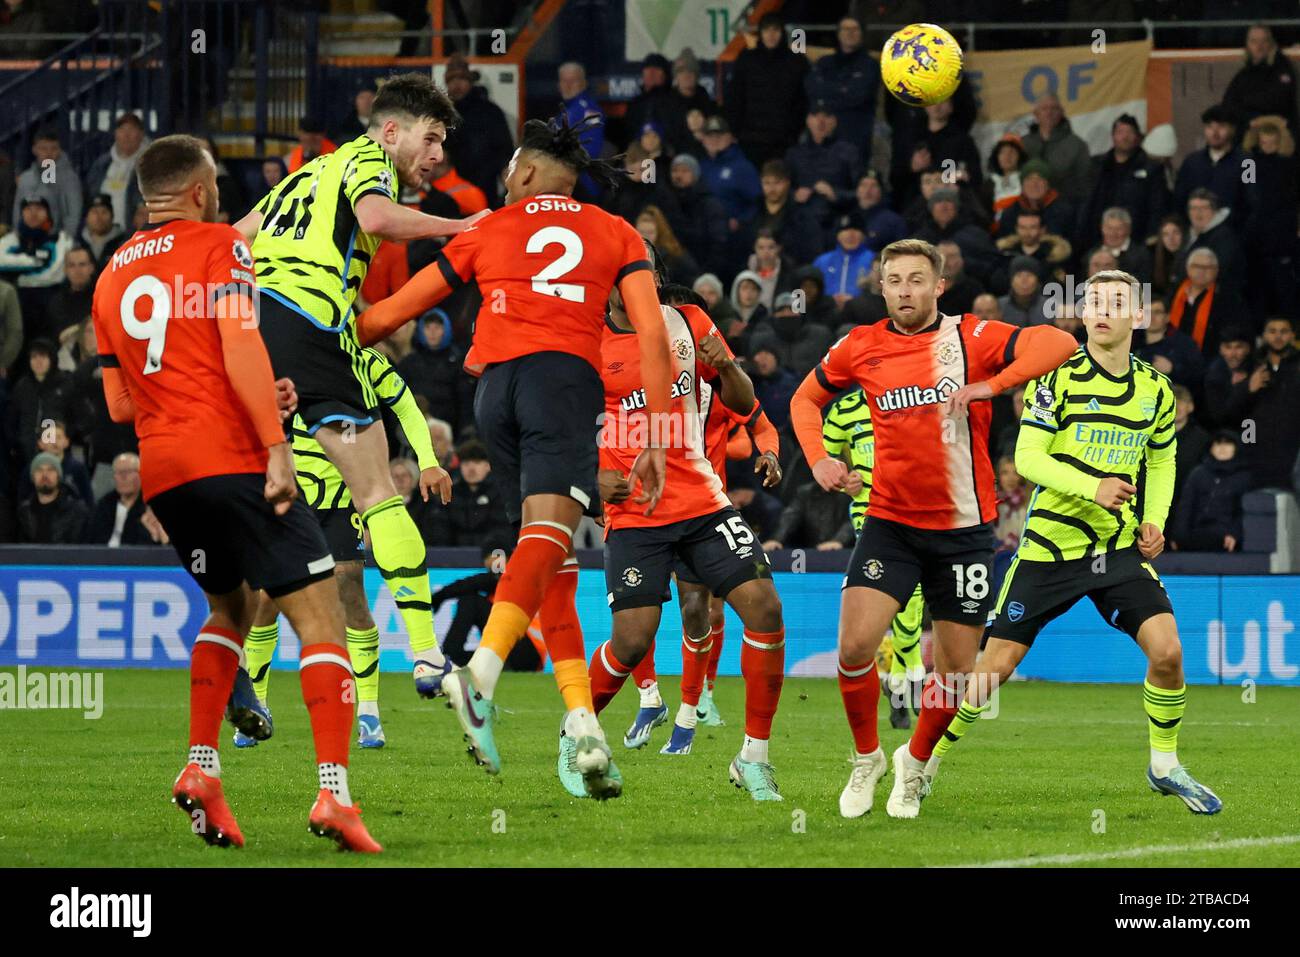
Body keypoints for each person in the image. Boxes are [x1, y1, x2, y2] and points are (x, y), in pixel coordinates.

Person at [353, 115, 673, 797]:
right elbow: (652, 333)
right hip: (562, 381)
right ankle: (481, 675)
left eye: (508, 169)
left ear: (526, 172)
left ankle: (584, 727)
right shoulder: (617, 232)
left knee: (548, 559)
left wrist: (320, 325)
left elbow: (389, 315)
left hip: (492, 393)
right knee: (550, 539)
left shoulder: (489, 227)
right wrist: (656, 435)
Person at [92, 134, 382, 851]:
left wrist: (225, 392)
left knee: (231, 607)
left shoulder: (109, 277)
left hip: (165, 474)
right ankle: (335, 795)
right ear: (199, 191)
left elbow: (121, 405)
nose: (220, 192)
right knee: (321, 619)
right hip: (232, 457)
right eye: (216, 182)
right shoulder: (222, 244)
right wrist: (277, 445)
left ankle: (202, 769)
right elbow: (240, 342)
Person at [788, 237, 1078, 820]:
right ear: (881, 287)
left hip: (964, 533)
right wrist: (819, 459)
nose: (905, 291)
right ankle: (866, 757)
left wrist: (992, 384)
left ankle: (914, 763)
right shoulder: (861, 344)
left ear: (939, 286)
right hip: (889, 523)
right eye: (895, 280)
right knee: (855, 647)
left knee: (955, 671)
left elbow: (1061, 342)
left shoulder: (972, 337)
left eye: (917, 279)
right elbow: (804, 400)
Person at [926, 269, 1223, 817]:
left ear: (1139, 316)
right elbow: (1028, 459)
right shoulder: (1055, 380)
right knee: (992, 672)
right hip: (1049, 548)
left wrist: (1154, 519)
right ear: (1082, 315)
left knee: (1168, 653)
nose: (1102, 310)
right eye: (1093, 302)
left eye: (1116, 302)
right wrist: (1094, 486)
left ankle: (1164, 764)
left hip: (1116, 548)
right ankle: (925, 763)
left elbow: (1162, 460)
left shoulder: (1156, 390)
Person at [234, 73, 477, 702]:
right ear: (391, 131)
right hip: (310, 326)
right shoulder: (370, 161)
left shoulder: (302, 176)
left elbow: (234, 239)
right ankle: (426, 655)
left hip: (251, 332)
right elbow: (376, 217)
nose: (437, 155)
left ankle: (236, 670)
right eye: (431, 139)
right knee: (378, 495)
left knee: (260, 502)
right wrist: (462, 227)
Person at [588, 251, 785, 800]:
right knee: (632, 640)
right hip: (636, 510)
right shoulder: (587, 342)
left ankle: (753, 757)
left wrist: (728, 366)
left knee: (765, 609)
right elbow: (561, 426)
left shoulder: (689, 321)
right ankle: (576, 729)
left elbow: (744, 403)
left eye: (646, 271)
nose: (637, 281)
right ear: (608, 283)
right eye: (625, 273)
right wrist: (590, 480)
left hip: (702, 501)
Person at [237, 346, 452, 750]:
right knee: (266, 598)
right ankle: (258, 704)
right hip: (290, 493)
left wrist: (427, 460)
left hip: (340, 498)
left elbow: (406, 405)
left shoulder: (365, 360)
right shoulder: (281, 357)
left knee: (349, 589)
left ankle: (368, 711)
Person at [822, 386, 927, 736]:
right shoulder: (843, 411)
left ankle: (899, 682)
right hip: (870, 512)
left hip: (916, 506)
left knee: (913, 593)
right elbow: (823, 461)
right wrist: (843, 481)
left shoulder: (912, 397)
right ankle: (912, 675)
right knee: (901, 592)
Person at [725, 11, 809, 166]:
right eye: (766, 30)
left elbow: (803, 100)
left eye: (775, 30)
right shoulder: (746, 59)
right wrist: (736, 130)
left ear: (782, 32)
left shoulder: (797, 62)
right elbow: (735, 97)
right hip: (750, 140)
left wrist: (794, 131)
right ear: (760, 33)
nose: (771, 35)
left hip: (783, 141)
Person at [1079, 114, 1169, 251]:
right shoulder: (1097, 165)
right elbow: (1086, 201)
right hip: (1098, 240)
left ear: (1137, 137)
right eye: (1120, 132)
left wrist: (1150, 239)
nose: (1125, 137)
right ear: (1113, 136)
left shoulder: (1152, 168)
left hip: (1136, 241)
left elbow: (1157, 206)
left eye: (1129, 132)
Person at [441, 56, 515, 205]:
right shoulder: (442, 114)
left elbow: (504, 151)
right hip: (449, 194)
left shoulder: (490, 112)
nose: (457, 84)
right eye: (452, 80)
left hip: (485, 191)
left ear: (470, 81)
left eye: (462, 78)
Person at [1238, 316, 1300, 490]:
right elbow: (1232, 411)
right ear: (1264, 336)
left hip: (1292, 447)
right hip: (1255, 447)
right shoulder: (1249, 365)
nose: (1278, 336)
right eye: (1272, 331)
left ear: (1293, 336)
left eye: (1284, 331)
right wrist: (1248, 388)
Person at [803, 16, 879, 155]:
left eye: (855, 29)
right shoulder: (824, 62)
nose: (850, 33)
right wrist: (842, 89)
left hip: (855, 137)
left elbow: (858, 96)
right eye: (845, 29)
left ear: (862, 33)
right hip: (822, 137)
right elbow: (812, 89)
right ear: (838, 34)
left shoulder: (870, 65)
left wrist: (827, 92)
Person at [1170, 431, 1252, 554]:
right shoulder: (1198, 474)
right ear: (1211, 448)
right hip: (1195, 534)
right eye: (1218, 443)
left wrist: (1234, 534)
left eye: (1228, 444)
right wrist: (1178, 535)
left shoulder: (1244, 478)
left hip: (1225, 537)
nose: (1222, 448)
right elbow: (1185, 507)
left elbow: (1244, 511)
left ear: (1236, 448)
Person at [784, 101, 861, 231]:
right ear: (808, 120)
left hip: (836, 219)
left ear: (834, 121)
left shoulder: (849, 152)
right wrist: (794, 194)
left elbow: (861, 192)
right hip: (799, 219)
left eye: (826, 116)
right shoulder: (794, 154)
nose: (821, 122)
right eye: (816, 116)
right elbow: (780, 188)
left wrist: (835, 194)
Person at [1173, 105, 1248, 229]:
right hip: (1195, 232)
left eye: (1221, 127)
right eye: (1209, 127)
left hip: (1232, 232)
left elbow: (1252, 202)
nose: (1214, 133)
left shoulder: (1247, 163)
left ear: (1232, 129)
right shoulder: (1191, 162)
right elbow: (1179, 200)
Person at [1167, 247, 1247, 360]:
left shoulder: (1227, 298)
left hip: (1208, 358)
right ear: (1187, 268)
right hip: (1170, 354)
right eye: (1196, 266)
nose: (1201, 271)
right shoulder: (1175, 291)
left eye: (1207, 267)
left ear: (1216, 270)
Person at [1222, 25, 1299, 134]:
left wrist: (1253, 115)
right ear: (1247, 45)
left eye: (1264, 41)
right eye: (1254, 41)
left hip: (1278, 130)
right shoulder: (1244, 74)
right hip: (1249, 128)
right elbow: (1228, 104)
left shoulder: (1283, 68)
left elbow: (1277, 101)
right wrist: (1248, 119)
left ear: (1271, 44)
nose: (1259, 46)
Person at [1019, 93, 1091, 203]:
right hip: (1027, 208)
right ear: (1036, 114)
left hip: (1064, 208)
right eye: (1044, 108)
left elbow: (1084, 186)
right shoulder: (1023, 144)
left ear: (1061, 112)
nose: (1049, 113)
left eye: (1054, 108)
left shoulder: (1077, 145)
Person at [749, 158, 822, 266]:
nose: (772, 189)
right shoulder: (752, 211)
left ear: (787, 183)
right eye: (766, 183)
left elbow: (810, 251)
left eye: (777, 183)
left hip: (790, 270)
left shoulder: (801, 216)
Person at [84, 451, 166, 546]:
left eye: (128, 472)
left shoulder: (151, 507)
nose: (123, 477)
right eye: (118, 472)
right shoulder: (104, 505)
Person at [1177, 188, 1245, 299]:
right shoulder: (1190, 235)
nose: (1198, 213)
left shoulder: (1224, 238)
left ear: (1215, 211)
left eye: (1204, 208)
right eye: (1193, 208)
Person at [668, 153, 729, 276]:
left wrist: (707, 273)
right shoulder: (667, 201)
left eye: (685, 171)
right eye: (675, 171)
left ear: (695, 175)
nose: (678, 175)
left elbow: (719, 242)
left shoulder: (709, 204)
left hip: (703, 271)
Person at [84, 113, 148, 229]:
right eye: (122, 130)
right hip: (103, 232)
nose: (126, 135)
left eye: (131, 130)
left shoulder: (151, 163)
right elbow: (89, 196)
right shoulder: (101, 164)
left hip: (133, 232)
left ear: (141, 134)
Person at [12, 127, 82, 233]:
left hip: (55, 239)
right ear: (34, 150)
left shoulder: (69, 179)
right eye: (43, 148)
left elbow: (73, 215)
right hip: (26, 238)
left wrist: (65, 240)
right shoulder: (26, 178)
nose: (49, 153)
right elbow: (18, 211)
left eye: (54, 148)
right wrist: (17, 236)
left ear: (60, 150)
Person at [991, 208, 1072, 294]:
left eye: (1032, 227)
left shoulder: (1057, 256)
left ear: (1042, 230)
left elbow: (1069, 289)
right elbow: (996, 285)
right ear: (1016, 229)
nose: (1027, 232)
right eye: (1022, 227)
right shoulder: (1004, 254)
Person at [16, 451, 88, 543]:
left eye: (50, 470)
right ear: (33, 477)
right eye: (39, 470)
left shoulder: (77, 511)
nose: (45, 475)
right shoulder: (25, 511)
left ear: (58, 476)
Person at [1134, 298, 1204, 392]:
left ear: (1167, 317)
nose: (1151, 317)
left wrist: (1173, 370)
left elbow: (1199, 377)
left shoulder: (1183, 343)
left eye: (1157, 312)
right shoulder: (1131, 340)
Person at [814, 211, 876, 308]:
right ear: (837, 235)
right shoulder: (822, 261)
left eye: (856, 229)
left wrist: (855, 301)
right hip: (826, 311)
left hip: (862, 311)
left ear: (863, 235)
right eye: (845, 230)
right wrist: (830, 300)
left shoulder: (873, 260)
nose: (850, 234)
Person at [1168, 384, 1210, 522]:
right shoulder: (1151, 436)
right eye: (1172, 401)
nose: (1177, 407)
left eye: (1181, 402)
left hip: (1188, 505)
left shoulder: (1202, 439)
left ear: (1190, 407)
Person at [45, 245, 97, 344]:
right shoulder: (57, 302)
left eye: (82, 264)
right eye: (72, 265)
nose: (77, 270)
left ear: (91, 268)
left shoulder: (103, 297)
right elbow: (61, 336)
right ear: (65, 270)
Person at [853, 169, 907, 254]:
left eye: (874, 186)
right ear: (857, 191)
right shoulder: (847, 218)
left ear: (881, 191)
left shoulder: (893, 221)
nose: (868, 190)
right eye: (864, 185)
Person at [80, 194, 127, 271]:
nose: (99, 217)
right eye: (94, 212)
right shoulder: (78, 244)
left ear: (112, 216)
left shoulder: (124, 244)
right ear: (86, 217)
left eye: (104, 212)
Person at [936, 241, 982, 316]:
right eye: (941, 257)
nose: (946, 262)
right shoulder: (928, 289)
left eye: (951, 257)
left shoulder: (974, 289)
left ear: (961, 261)